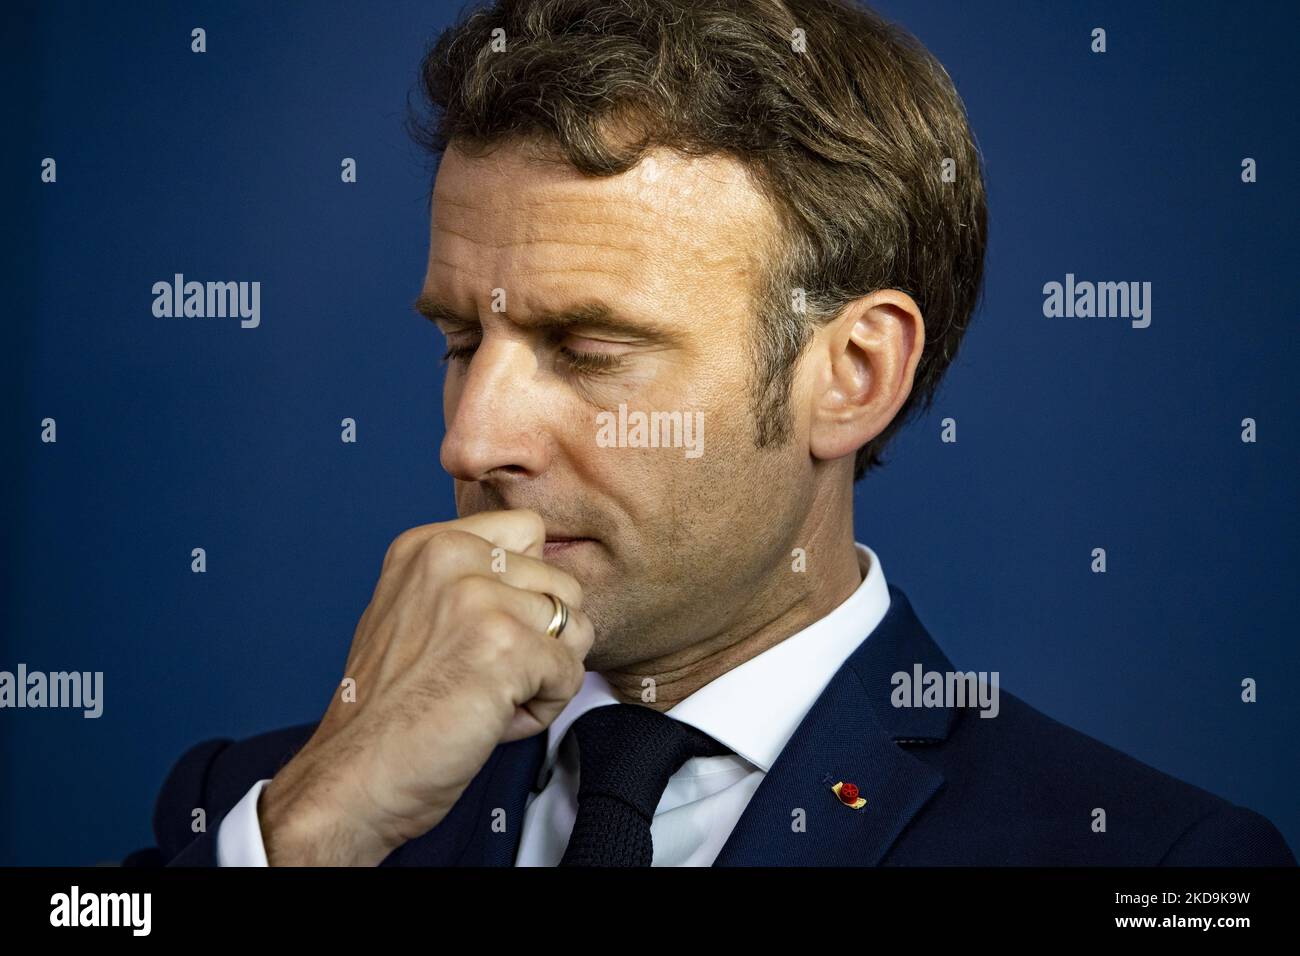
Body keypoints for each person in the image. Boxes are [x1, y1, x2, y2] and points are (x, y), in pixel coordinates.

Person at [124, 0, 1294, 867]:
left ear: (851, 374)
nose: (471, 442)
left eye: (588, 350)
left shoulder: (1154, 863)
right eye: (457, 342)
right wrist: (309, 834)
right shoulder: (250, 806)